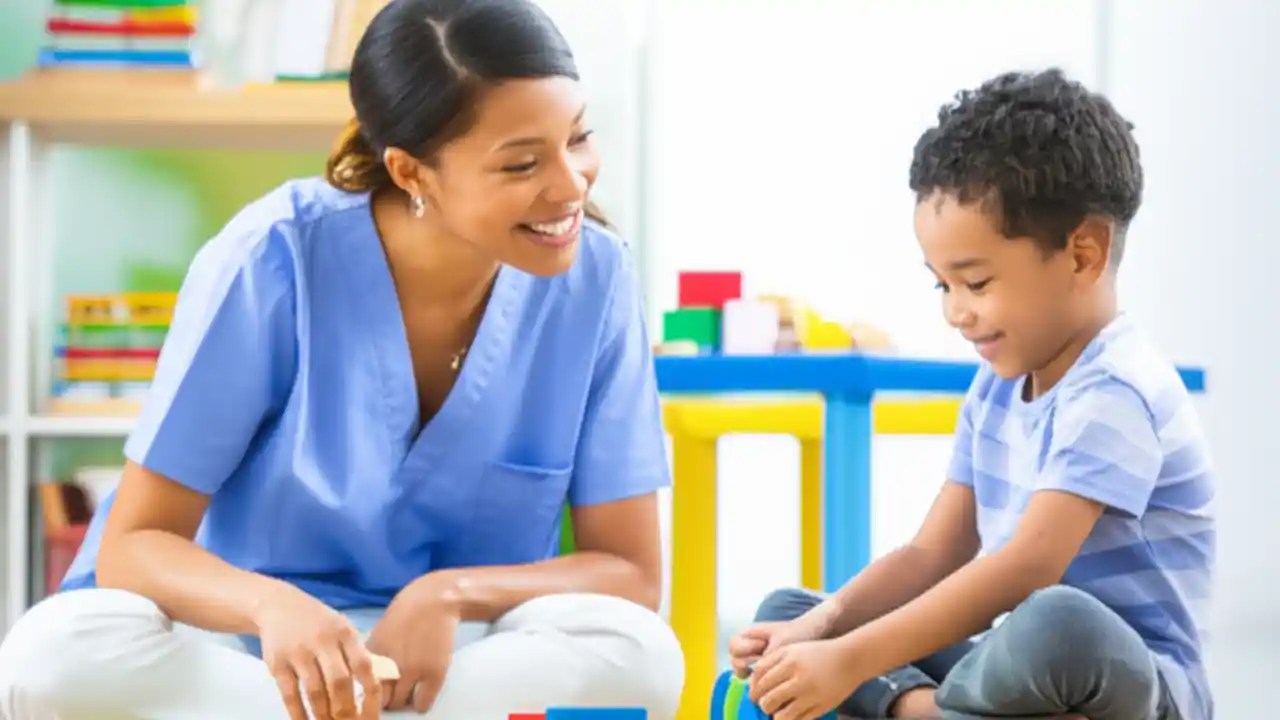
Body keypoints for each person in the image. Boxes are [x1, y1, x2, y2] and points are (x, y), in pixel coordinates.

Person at [0, 1, 684, 718]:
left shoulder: (597, 279)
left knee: (641, 652)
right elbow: (135, 545)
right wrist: (273, 609)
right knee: (48, 659)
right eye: (522, 162)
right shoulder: (271, 259)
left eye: (577, 138)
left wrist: (446, 594)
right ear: (412, 173)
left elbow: (630, 573)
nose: (572, 185)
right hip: (246, 642)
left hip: (458, 647)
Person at [728, 69, 1214, 720]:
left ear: (1083, 254)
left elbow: (1025, 569)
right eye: (942, 286)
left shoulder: (1118, 391)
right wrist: (825, 631)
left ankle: (916, 711)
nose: (956, 313)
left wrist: (851, 663)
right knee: (792, 617)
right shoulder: (997, 387)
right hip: (1016, 677)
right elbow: (934, 554)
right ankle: (930, 709)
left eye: (976, 283)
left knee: (1058, 622)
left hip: (1131, 689)